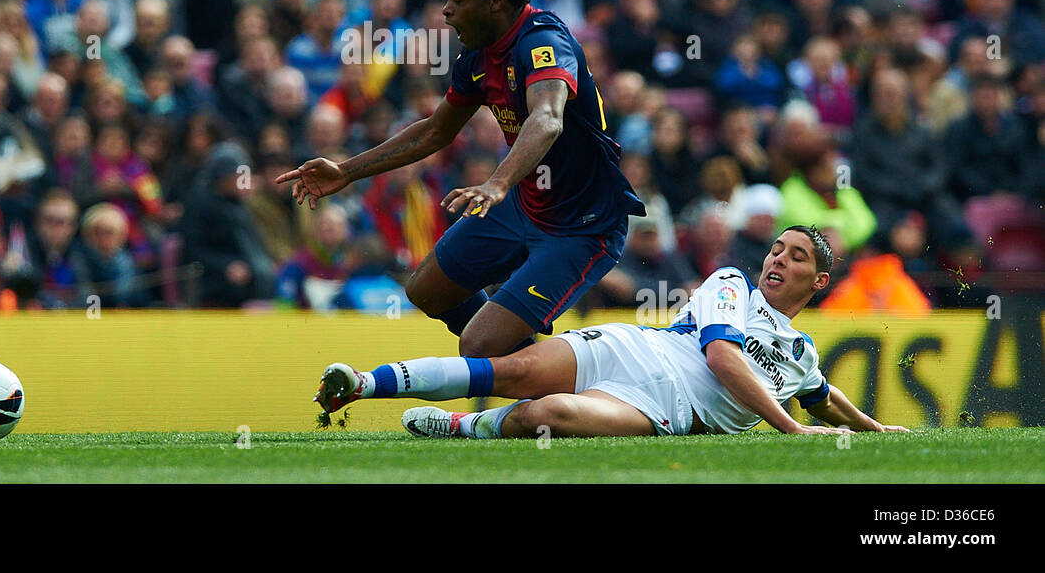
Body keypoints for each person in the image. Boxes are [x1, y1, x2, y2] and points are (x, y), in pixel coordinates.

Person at [278, 0, 645, 357]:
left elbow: (547, 119)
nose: (446, 10)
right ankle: (540, 379)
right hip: (525, 204)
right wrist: (346, 170)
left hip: (583, 223)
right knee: (427, 290)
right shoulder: (478, 55)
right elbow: (436, 130)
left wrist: (497, 183)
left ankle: (557, 388)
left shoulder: (543, 41)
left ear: (495, 0)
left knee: (478, 343)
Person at [315, 227, 908, 439]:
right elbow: (725, 359)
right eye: (776, 249)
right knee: (511, 370)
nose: (777, 260)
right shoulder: (733, 283)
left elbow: (823, 397)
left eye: (796, 256)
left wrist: (875, 429)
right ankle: (361, 383)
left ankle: (464, 427)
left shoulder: (801, 353)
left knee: (541, 416)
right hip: (634, 349)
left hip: (662, 410)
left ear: (821, 279)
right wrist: (790, 428)